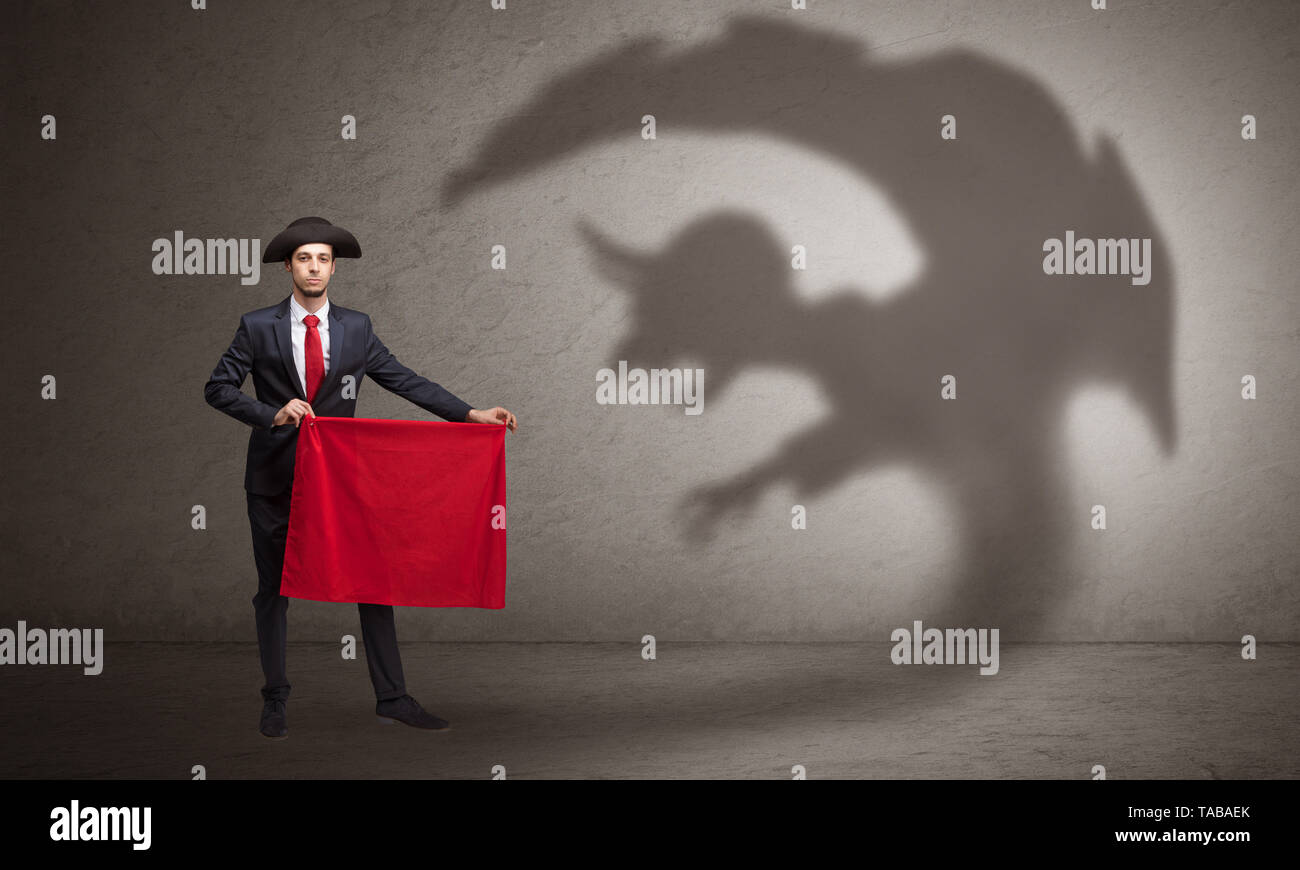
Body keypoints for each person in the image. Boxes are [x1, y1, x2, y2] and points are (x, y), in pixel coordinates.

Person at [204, 216, 518, 740]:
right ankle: (275, 700)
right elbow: (217, 388)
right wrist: (271, 412)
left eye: (323, 258)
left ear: (333, 267)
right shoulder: (256, 325)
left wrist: (469, 414)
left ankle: (392, 697)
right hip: (274, 477)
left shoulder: (357, 327)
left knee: (374, 582)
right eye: (304, 258)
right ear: (288, 266)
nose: (314, 267)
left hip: (342, 481)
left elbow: (404, 379)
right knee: (273, 590)